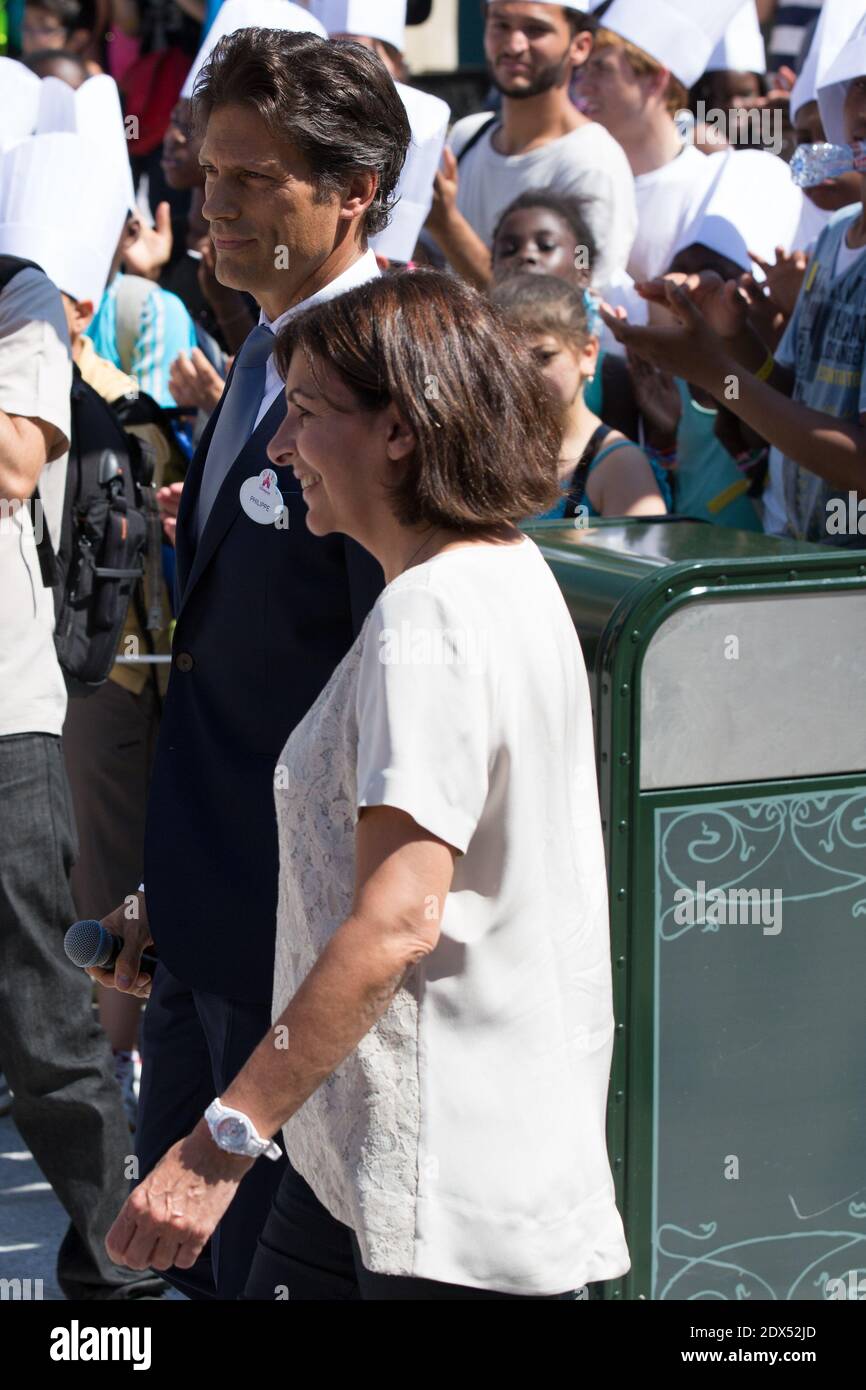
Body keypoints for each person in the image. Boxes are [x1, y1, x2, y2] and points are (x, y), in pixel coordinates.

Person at [101, 268, 632, 1301]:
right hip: (382, 1146)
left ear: (399, 430)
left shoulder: (425, 615)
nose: (280, 445)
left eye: (303, 413)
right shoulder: (505, 570)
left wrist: (222, 1137)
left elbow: (396, 920)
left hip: (441, 1181)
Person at [90, 25, 409, 1302]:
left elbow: (385, 675)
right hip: (205, 929)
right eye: (201, 173)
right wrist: (167, 887)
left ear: (351, 196)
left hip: (303, 967)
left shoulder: (387, 374)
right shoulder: (264, 353)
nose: (206, 206)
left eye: (250, 179)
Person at [0, 244, 164, 1300]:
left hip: (4, 718)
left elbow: (13, 460)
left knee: (41, 1011)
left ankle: (119, 1267)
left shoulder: (15, 291)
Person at [601, 14, 866, 548]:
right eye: (855, 88)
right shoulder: (835, 239)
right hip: (796, 557)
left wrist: (717, 370)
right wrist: (729, 339)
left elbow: (858, 460)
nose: (858, 109)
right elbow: (799, 400)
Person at [425, 1, 637, 291]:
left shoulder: (593, 163)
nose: (514, 45)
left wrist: (448, 226)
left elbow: (566, 309)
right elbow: (425, 255)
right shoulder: (467, 136)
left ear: (580, 47)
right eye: (501, 25)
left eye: (536, 30)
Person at [580, 0, 749, 281]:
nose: (584, 86)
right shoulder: (581, 174)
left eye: (602, 69)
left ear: (656, 80)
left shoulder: (706, 188)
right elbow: (579, 266)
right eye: (584, 70)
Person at [494, 272, 669, 519]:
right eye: (507, 360)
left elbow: (640, 557)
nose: (525, 375)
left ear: (588, 354)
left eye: (543, 357)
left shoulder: (621, 466)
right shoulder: (491, 454)